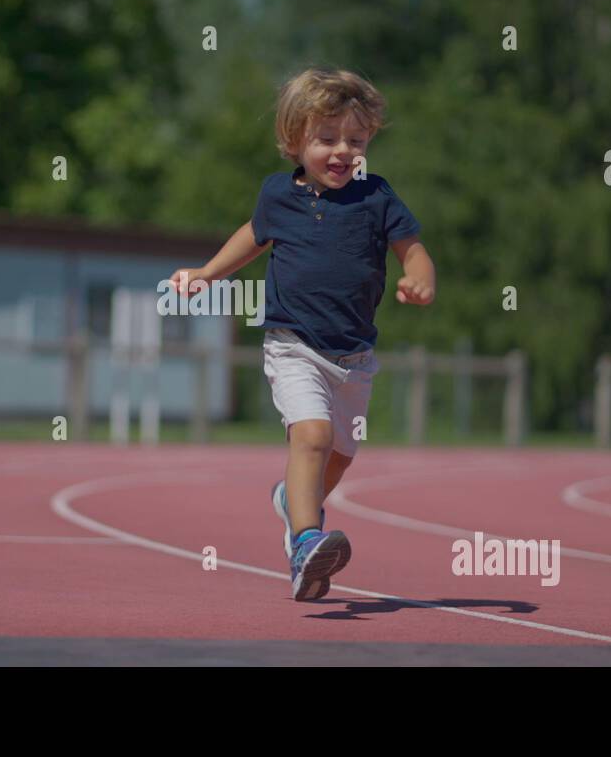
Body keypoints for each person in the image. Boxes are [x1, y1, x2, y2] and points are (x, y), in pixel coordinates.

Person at [170, 67, 436, 600]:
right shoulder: (278, 196)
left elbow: (412, 249)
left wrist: (419, 278)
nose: (343, 152)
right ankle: (304, 540)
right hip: (293, 345)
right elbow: (252, 237)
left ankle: (293, 504)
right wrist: (205, 273)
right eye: (327, 139)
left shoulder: (377, 196)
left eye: (356, 141)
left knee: (339, 456)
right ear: (295, 141)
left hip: (355, 356)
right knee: (311, 437)